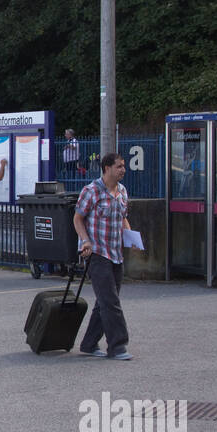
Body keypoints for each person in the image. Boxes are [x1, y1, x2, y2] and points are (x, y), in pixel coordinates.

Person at [74, 152, 134, 360]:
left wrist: (132, 238)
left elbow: (123, 217)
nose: (123, 170)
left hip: (116, 253)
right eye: (119, 166)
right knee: (110, 302)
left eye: (123, 166)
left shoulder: (123, 192)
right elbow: (78, 219)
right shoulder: (91, 191)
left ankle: (89, 344)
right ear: (107, 168)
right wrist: (85, 241)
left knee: (104, 302)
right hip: (98, 254)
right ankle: (117, 346)